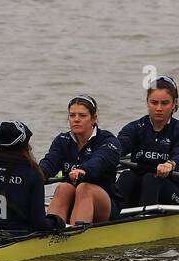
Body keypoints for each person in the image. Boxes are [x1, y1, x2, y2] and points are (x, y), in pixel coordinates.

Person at [39, 95, 121, 228]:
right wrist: (36, 174)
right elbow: (49, 162)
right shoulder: (62, 141)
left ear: (94, 119)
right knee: (63, 187)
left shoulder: (108, 140)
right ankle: (50, 231)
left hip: (104, 205)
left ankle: (76, 235)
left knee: (84, 188)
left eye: (82, 116)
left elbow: (100, 160)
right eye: (72, 115)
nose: (76, 120)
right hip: (72, 198)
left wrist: (84, 170)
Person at [114, 76, 179, 209]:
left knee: (152, 178)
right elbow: (119, 145)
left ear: (174, 104)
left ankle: (145, 221)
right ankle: (114, 218)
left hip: (174, 194)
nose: (158, 108)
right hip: (141, 189)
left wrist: (170, 164)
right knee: (126, 176)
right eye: (154, 102)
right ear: (147, 103)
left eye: (164, 103)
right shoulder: (135, 128)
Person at [0, 121, 54, 234]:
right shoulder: (33, 175)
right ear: (24, 145)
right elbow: (39, 224)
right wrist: (57, 222)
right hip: (19, 237)